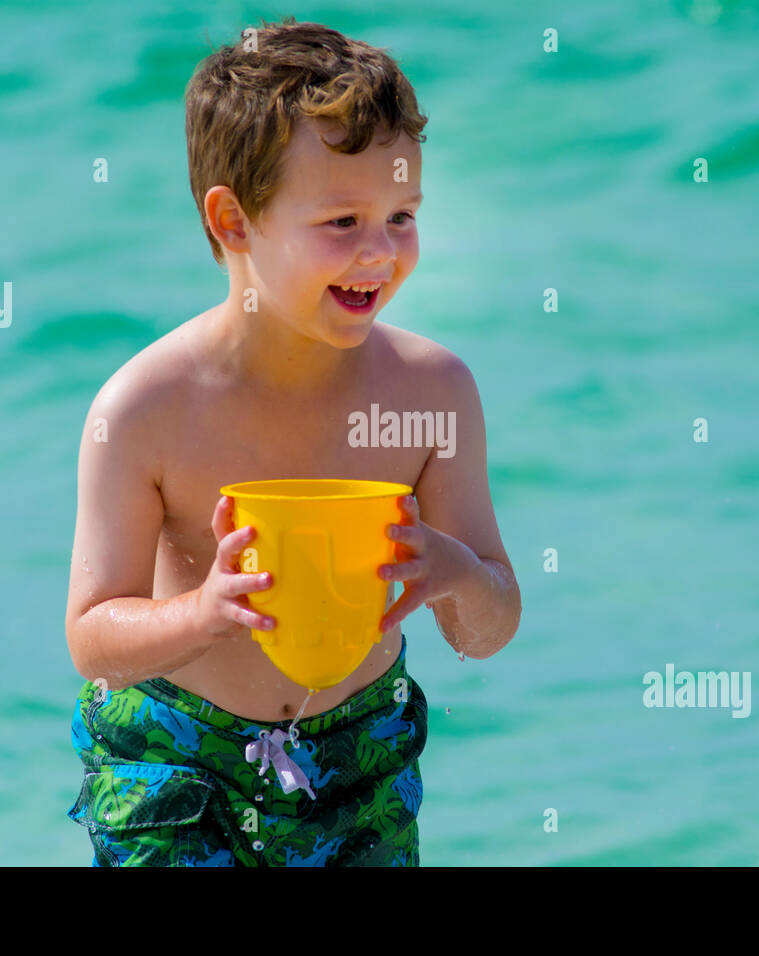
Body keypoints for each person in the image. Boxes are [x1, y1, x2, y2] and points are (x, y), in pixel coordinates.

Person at [64, 17, 520, 866]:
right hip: (174, 760)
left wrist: (451, 571)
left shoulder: (433, 393)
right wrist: (201, 614)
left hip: (359, 759)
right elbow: (93, 637)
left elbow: (486, 626)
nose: (381, 253)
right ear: (234, 222)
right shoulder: (145, 408)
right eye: (343, 221)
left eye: (403, 215)